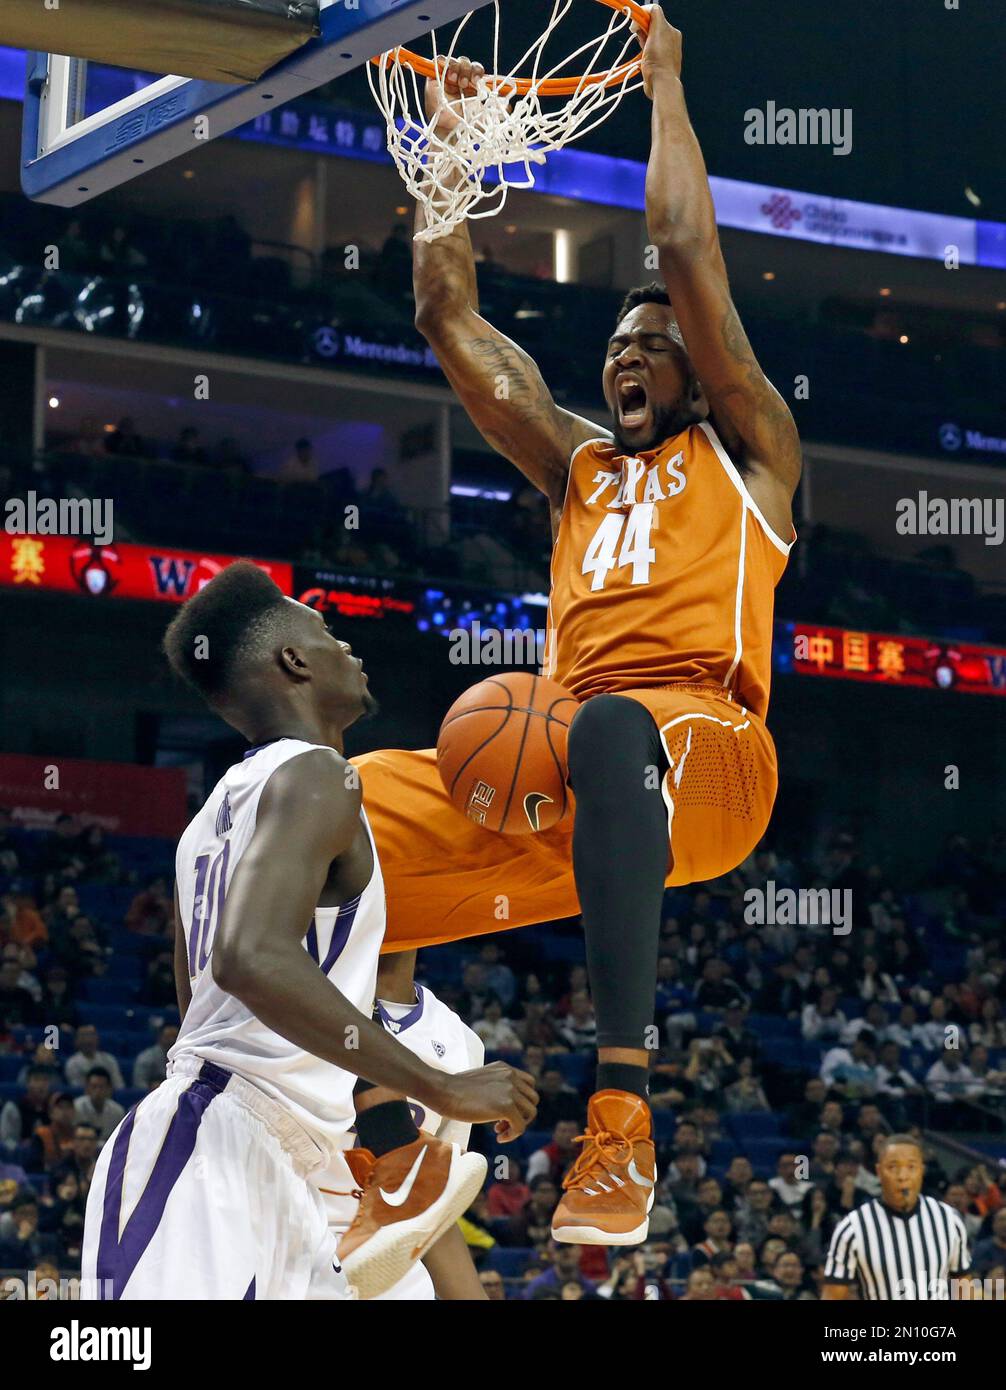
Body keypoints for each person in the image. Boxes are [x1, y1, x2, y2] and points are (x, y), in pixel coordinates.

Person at [357, 6, 801, 1248]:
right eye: (614, 346)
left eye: (652, 347)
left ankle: (621, 1126)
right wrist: (447, 155)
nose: (628, 359)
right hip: (564, 769)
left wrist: (663, 86)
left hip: (709, 756)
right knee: (318, 810)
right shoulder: (575, 467)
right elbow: (449, 322)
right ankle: (384, 1143)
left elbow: (683, 246)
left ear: (696, 372)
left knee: (609, 725)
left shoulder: (752, 451)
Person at [80, 562, 536, 1302]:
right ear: (293, 661)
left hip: (284, 1157)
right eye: (326, 633)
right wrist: (438, 1085)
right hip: (215, 1141)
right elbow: (247, 958)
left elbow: (199, 999)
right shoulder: (320, 775)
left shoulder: (207, 822)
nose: (347, 648)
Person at [316, 949, 489, 1300]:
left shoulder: (462, 1042)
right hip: (289, 1236)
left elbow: (432, 1200)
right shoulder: (288, 995)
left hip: (389, 1267)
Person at [822, 1134, 971, 1300]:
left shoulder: (949, 1220)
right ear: (879, 1171)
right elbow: (833, 1295)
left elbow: (963, 1284)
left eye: (911, 1167)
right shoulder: (853, 1227)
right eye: (893, 1167)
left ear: (922, 1170)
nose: (902, 1176)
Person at [73, 1067, 125, 1146]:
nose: (98, 1091)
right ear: (87, 1088)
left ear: (109, 1089)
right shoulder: (76, 1107)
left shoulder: (117, 1111)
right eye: (94, 1086)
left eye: (101, 1087)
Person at [64, 1025, 125, 1092]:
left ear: (97, 1039)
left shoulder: (109, 1059)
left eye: (91, 1035)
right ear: (77, 1041)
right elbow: (78, 1089)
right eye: (83, 1036)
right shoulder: (72, 1063)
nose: (88, 1040)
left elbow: (119, 1086)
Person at [132, 1024, 178, 1091]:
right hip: (151, 1095)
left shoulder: (185, 1056)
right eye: (168, 1037)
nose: (172, 1040)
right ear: (159, 1038)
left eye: (175, 1037)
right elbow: (139, 1084)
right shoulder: (146, 1057)